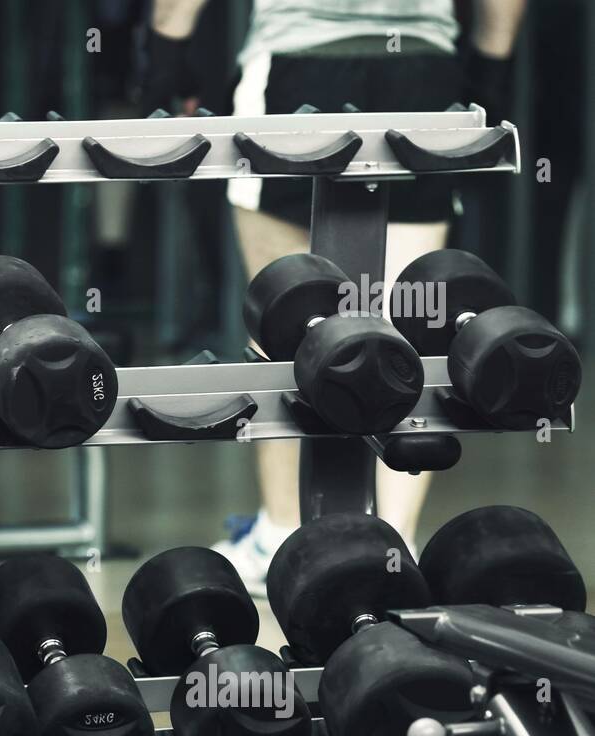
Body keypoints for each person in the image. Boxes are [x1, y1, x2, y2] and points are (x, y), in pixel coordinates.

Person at [143, 0, 528, 595]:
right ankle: (393, 544)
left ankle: (283, 537)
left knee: (286, 321)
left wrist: (166, 54)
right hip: (423, 73)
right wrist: (492, 62)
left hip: (300, 64)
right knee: (410, 328)